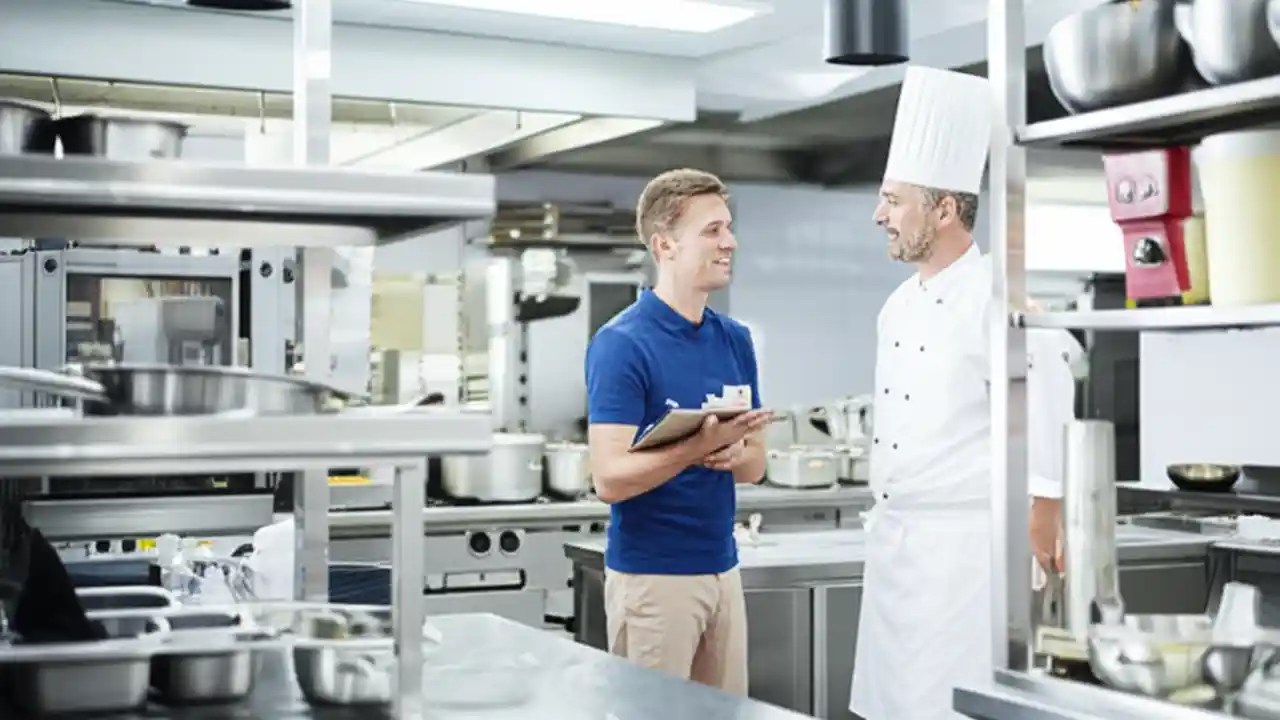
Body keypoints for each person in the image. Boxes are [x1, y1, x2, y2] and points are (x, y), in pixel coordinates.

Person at [849, 66, 1084, 720]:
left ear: (945, 209)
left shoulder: (995, 295)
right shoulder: (896, 307)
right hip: (896, 545)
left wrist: (1045, 501)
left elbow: (1050, 375)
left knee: (949, 709)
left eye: (893, 201)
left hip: (962, 556)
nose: (879, 216)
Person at [584, 168, 773, 695]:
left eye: (728, 228)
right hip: (654, 582)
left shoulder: (735, 340)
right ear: (665, 244)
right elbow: (610, 479)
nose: (729, 242)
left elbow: (757, 467)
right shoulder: (621, 343)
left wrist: (735, 451)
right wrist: (697, 446)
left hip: (722, 570)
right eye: (712, 231)